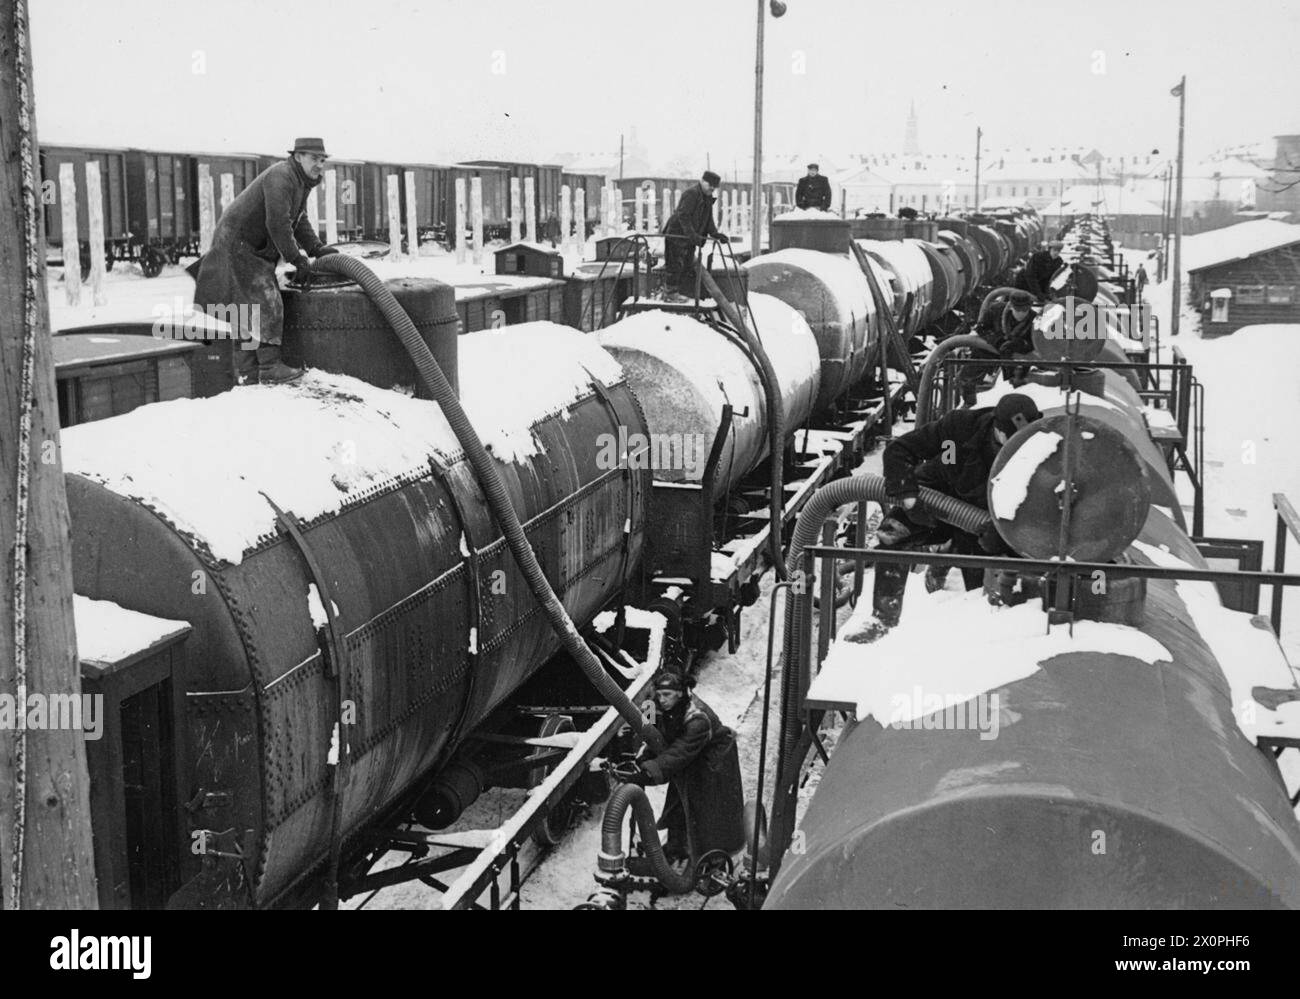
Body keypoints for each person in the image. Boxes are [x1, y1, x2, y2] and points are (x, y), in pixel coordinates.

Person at [857, 393, 1043, 640]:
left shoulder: (1043, 452)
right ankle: (882, 621)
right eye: (1012, 440)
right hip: (935, 501)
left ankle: (981, 635)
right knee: (892, 534)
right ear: (997, 430)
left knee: (983, 588)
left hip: (986, 523)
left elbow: (1039, 514)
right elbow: (899, 450)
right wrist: (910, 499)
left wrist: (1002, 534)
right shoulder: (959, 428)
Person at [192, 137, 339, 385]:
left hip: (248, 246)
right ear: (298, 156)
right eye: (315, 158)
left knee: (246, 309)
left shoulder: (300, 181)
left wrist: (315, 248)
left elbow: (297, 220)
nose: (320, 165)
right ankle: (269, 367)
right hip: (238, 245)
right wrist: (296, 258)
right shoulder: (281, 177)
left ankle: (248, 372)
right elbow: (278, 224)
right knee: (267, 299)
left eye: (322, 160)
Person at [615, 672, 738, 864]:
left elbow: (679, 753)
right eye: (659, 694)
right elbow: (650, 733)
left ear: (680, 693)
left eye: (667, 695)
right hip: (689, 755)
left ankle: (711, 855)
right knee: (678, 801)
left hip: (712, 759)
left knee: (705, 805)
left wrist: (649, 772)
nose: (661, 699)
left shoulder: (698, 719)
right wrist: (644, 758)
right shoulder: (654, 705)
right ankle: (677, 847)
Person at [661, 170, 724, 299]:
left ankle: (679, 292)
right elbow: (683, 216)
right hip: (677, 234)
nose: (712, 188)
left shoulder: (707, 197)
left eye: (714, 186)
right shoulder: (692, 194)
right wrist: (693, 235)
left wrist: (715, 234)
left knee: (687, 264)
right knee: (675, 263)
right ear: (702, 181)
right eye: (709, 184)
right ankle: (670, 293)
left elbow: (708, 219)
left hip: (689, 237)